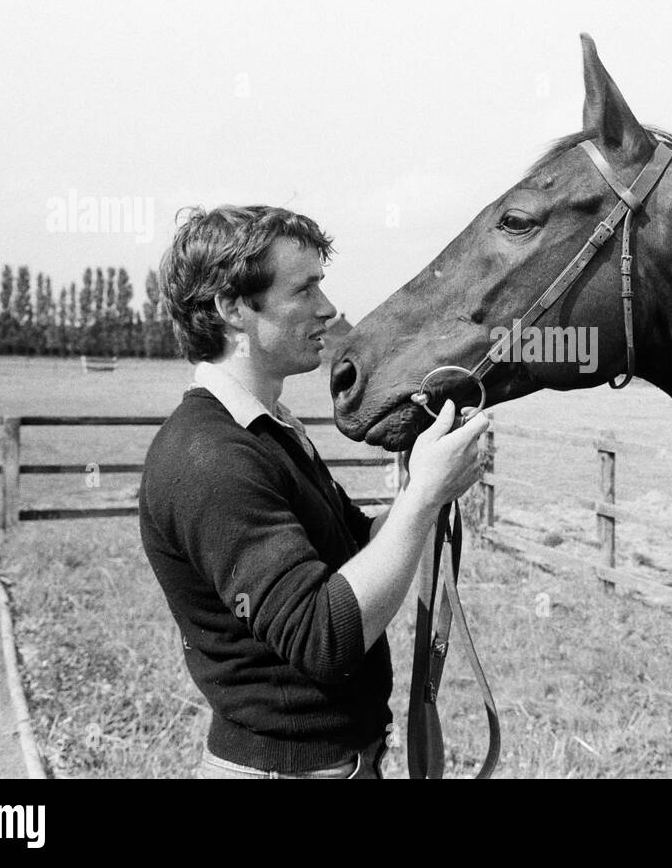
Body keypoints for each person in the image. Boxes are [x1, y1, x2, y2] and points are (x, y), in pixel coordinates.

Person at [139, 205, 487, 779]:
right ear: (232, 309)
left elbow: (359, 551)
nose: (327, 307)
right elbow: (325, 636)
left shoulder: (265, 429)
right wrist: (424, 494)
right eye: (304, 290)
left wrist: (429, 479)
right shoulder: (211, 458)